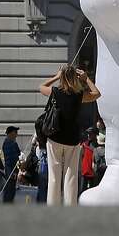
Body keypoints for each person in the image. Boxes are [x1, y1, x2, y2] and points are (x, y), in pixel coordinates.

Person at [38, 64, 102, 206]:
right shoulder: (79, 96)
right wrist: (86, 79)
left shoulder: (55, 92)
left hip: (55, 138)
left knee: (54, 175)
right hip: (72, 140)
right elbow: (97, 93)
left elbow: (41, 86)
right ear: (74, 77)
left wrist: (56, 76)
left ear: (63, 77)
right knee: (71, 175)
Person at [1, 126, 22, 203]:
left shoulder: (13, 143)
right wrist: (12, 172)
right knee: (9, 191)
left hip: (13, 171)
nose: (17, 134)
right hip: (11, 171)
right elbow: (9, 160)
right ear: (11, 133)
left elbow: (18, 155)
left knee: (12, 191)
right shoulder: (8, 143)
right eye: (15, 132)